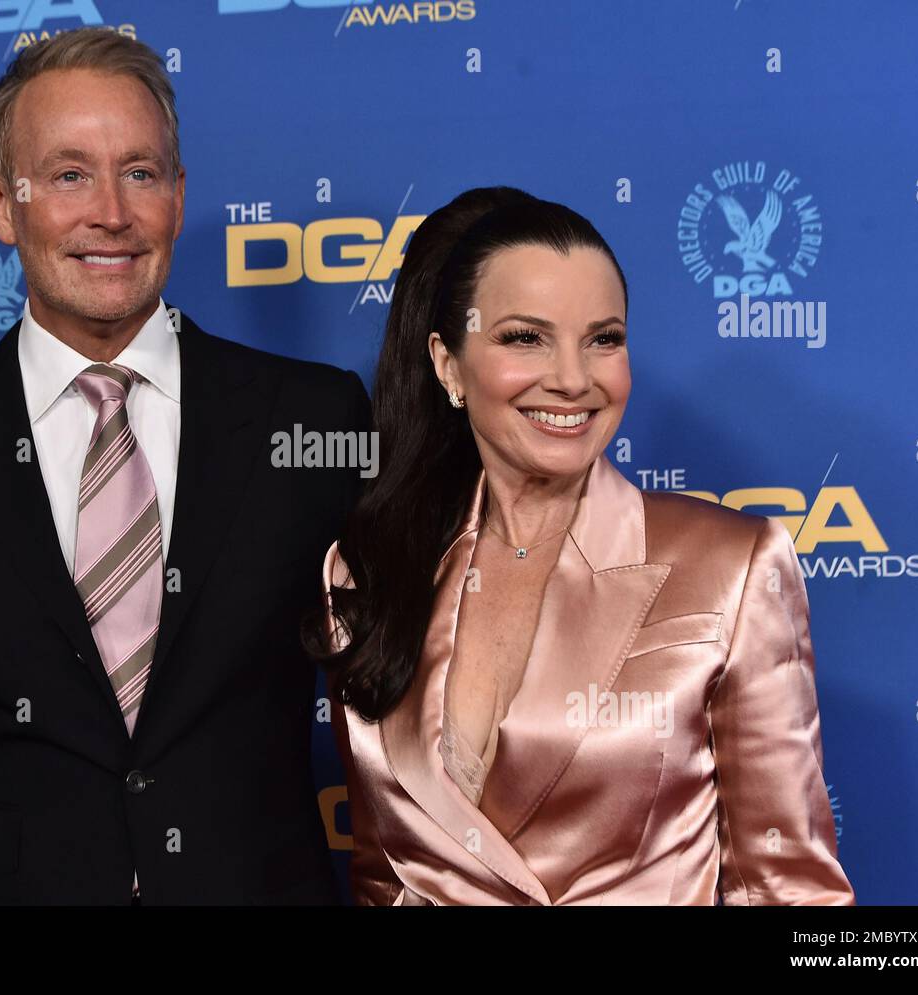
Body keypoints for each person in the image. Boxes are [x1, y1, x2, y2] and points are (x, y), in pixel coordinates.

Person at [0, 28, 369, 906]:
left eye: (141, 172)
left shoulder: (315, 419)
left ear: (178, 195)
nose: (111, 213)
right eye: (68, 175)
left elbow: (414, 703)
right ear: (0, 204)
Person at [311, 186, 854, 906]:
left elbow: (794, 890)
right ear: (448, 366)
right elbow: (382, 874)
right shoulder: (365, 573)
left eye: (604, 338)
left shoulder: (733, 567)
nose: (572, 379)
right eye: (524, 337)